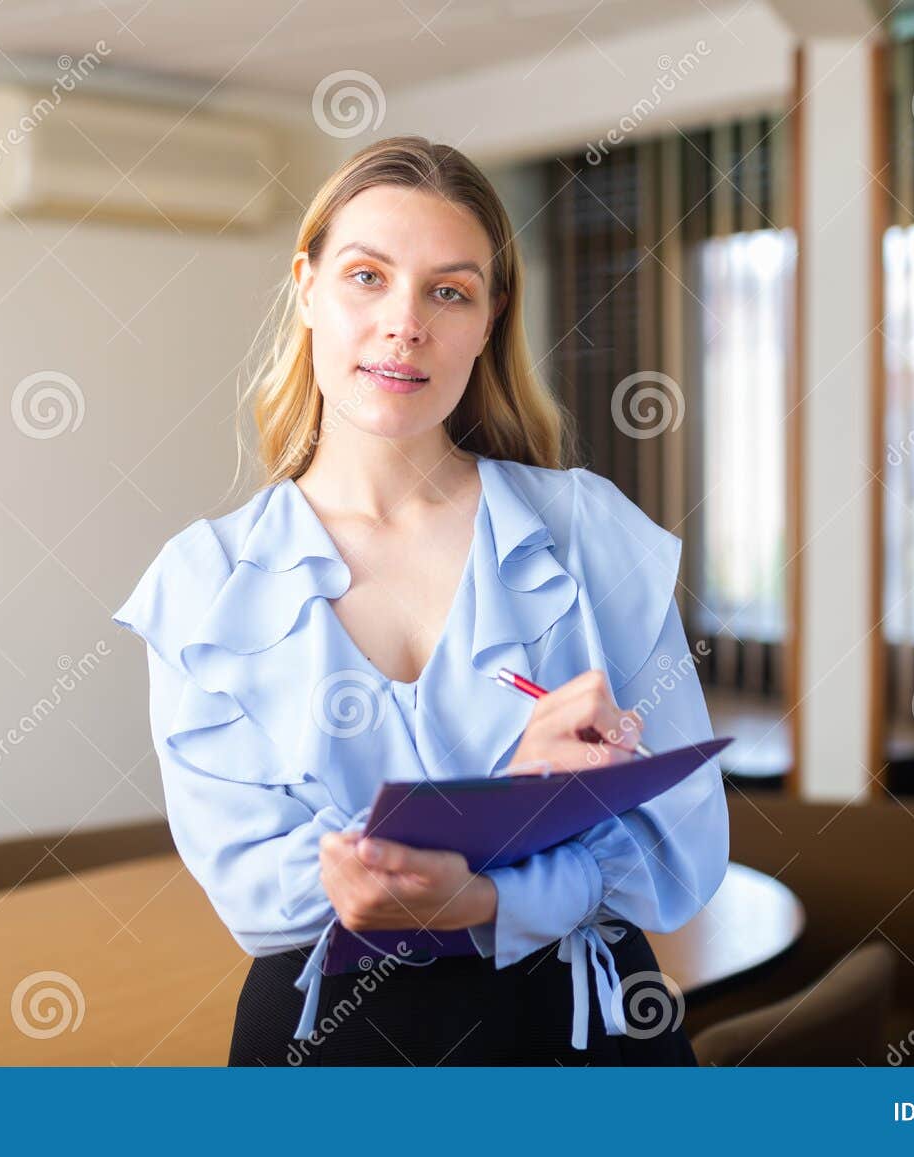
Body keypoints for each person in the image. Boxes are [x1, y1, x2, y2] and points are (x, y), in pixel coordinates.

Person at [111, 134, 727, 1066]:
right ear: (306, 287)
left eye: (450, 289)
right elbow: (260, 897)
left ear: (488, 319)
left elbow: (681, 846)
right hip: (330, 1048)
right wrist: (525, 821)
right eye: (367, 276)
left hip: (584, 1042)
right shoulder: (204, 584)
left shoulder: (588, 532)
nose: (407, 324)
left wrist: (474, 890)